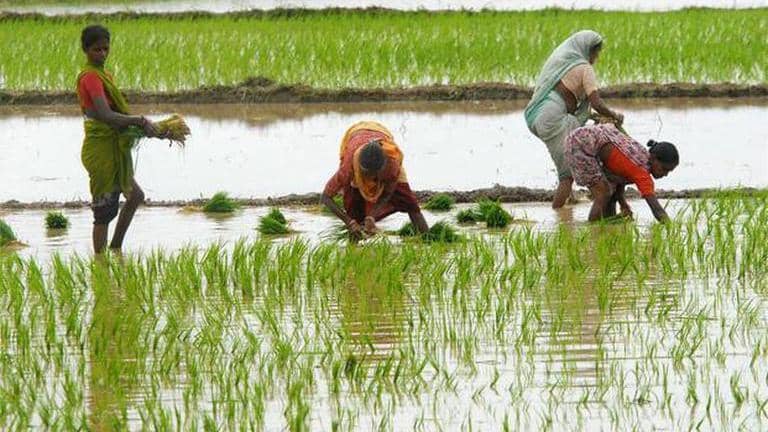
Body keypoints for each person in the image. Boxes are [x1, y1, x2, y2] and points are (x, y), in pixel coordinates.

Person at [77, 25, 163, 254]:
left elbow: (115, 114)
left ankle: (115, 249)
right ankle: (100, 261)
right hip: (101, 148)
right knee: (104, 210)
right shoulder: (91, 77)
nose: (102, 54)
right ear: (86, 49)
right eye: (97, 50)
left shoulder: (105, 76)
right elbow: (106, 115)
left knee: (135, 196)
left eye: (105, 49)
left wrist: (141, 126)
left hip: (113, 143)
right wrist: (139, 121)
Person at [524, 30, 624, 209]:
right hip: (552, 118)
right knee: (567, 175)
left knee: (569, 154)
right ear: (588, 50)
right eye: (596, 52)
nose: (597, 57)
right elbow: (596, 103)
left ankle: (569, 200)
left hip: (539, 115)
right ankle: (558, 216)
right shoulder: (585, 68)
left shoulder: (566, 66)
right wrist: (614, 115)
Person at [321, 121, 428, 240]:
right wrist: (349, 222)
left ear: (383, 168)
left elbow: (388, 192)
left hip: (381, 134)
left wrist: (371, 216)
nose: (371, 180)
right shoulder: (348, 168)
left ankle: (427, 239)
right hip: (355, 135)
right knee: (353, 207)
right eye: (367, 174)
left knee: (410, 203)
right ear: (359, 168)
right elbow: (325, 197)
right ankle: (353, 246)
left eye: (375, 176)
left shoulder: (392, 164)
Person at [564, 123, 679, 223]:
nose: (665, 174)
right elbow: (656, 209)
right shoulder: (642, 172)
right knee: (603, 193)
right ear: (653, 158)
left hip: (582, 137)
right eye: (664, 169)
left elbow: (620, 177)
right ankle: (593, 228)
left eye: (668, 171)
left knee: (609, 191)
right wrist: (670, 227)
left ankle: (606, 224)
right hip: (581, 145)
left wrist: (623, 203)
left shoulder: (641, 155)